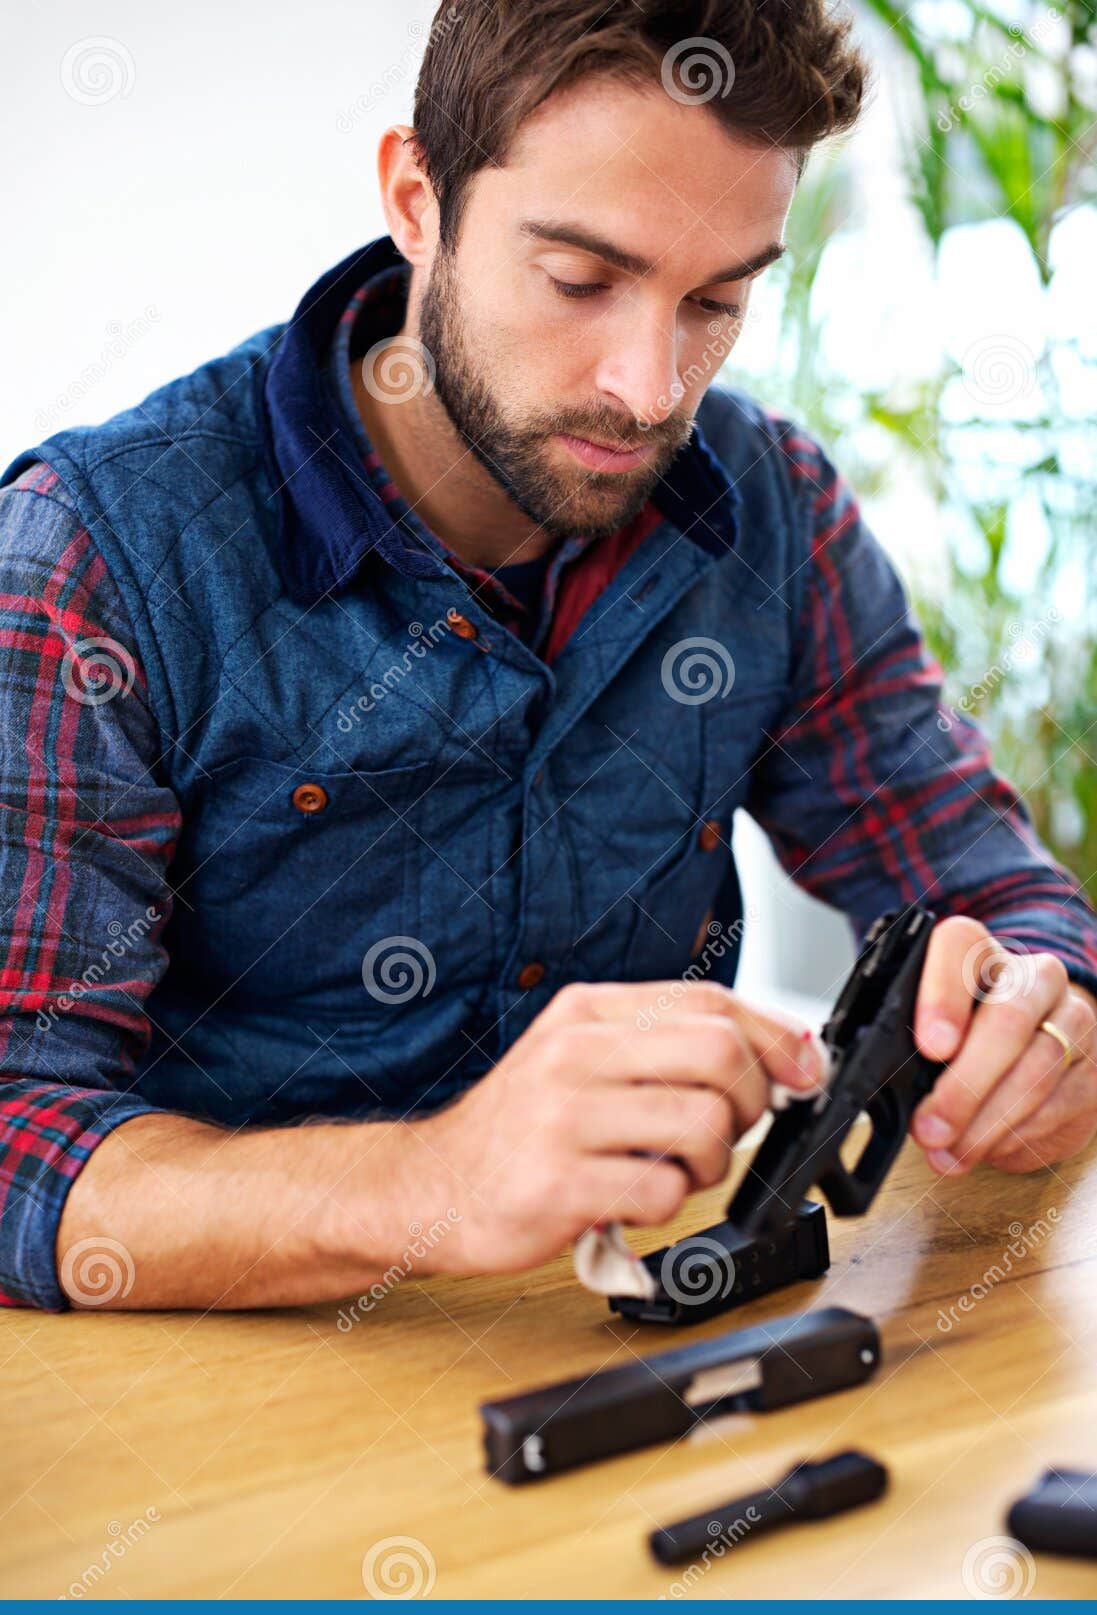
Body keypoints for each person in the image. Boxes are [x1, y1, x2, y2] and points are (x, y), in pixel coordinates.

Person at [1, 0, 1095, 1314]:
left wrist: (1044, 1013)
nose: (646, 385)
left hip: (619, 1374)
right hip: (207, 1426)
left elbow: (993, 893)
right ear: (417, 197)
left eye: (715, 299)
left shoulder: (773, 512)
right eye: (580, 278)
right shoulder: (90, 558)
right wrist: (427, 1184)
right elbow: (16, 1140)